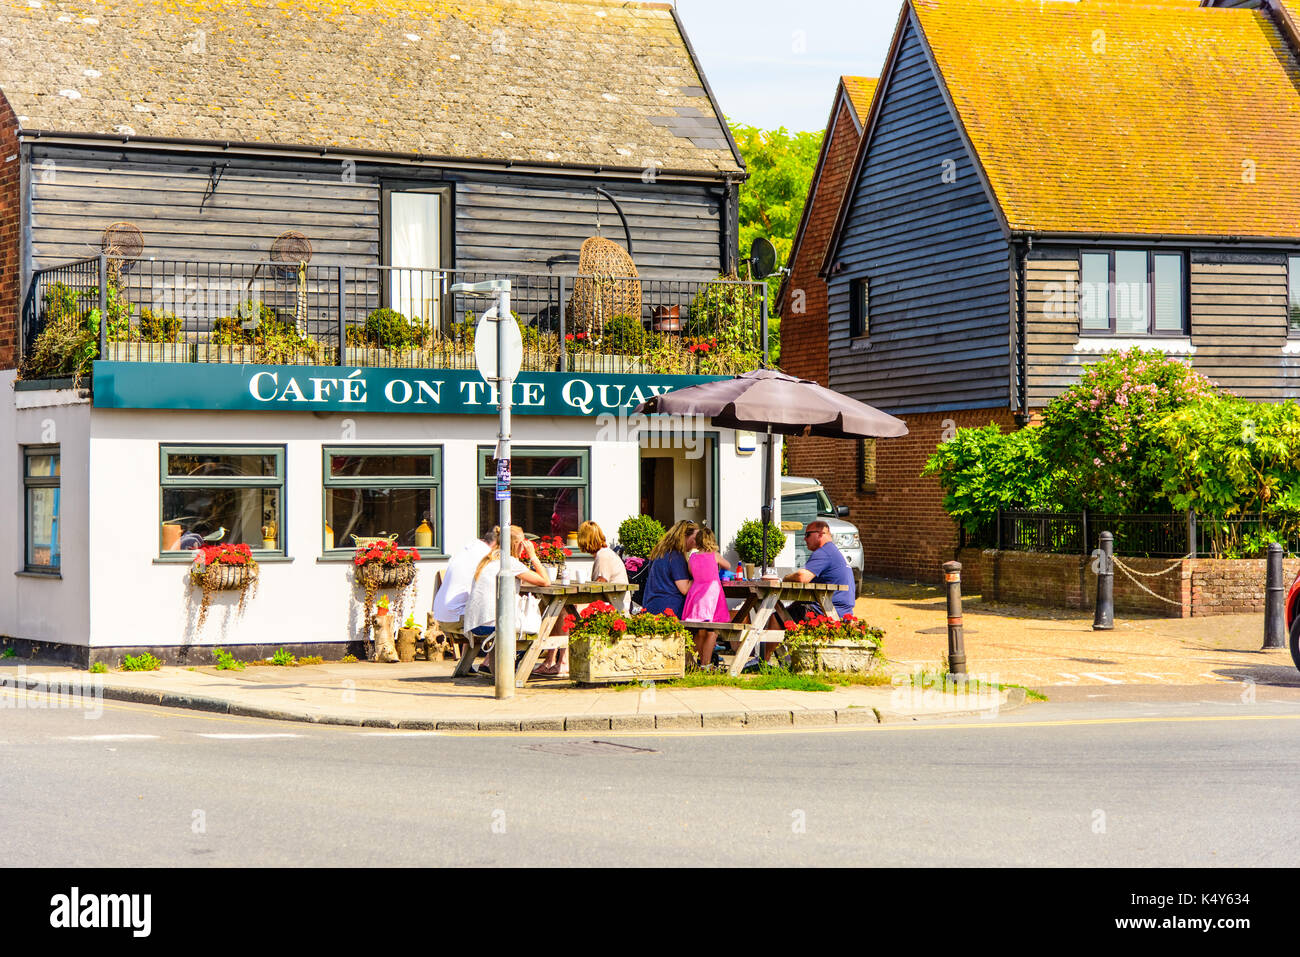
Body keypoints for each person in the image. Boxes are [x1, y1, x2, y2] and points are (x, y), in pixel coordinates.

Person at [462, 526, 550, 674]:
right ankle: (511, 672)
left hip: (474, 623)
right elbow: (545, 581)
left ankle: (489, 663)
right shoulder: (509, 562)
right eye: (524, 543)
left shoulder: (488, 559)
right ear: (516, 544)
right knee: (535, 631)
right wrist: (533, 556)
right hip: (490, 624)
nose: (525, 547)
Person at [432, 527, 498, 648]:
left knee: (479, 611)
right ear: (496, 544)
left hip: (442, 614)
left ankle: (474, 664)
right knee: (505, 622)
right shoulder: (485, 555)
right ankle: (489, 664)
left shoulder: (468, 549)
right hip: (456, 617)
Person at [784, 519, 855, 621]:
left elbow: (802, 577)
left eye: (808, 534)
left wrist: (785, 578)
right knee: (785, 612)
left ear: (821, 534)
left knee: (776, 617)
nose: (804, 539)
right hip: (841, 611)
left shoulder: (824, 552)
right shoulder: (832, 551)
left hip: (828, 610)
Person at [681, 526, 731, 669]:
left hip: (696, 594)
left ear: (697, 541)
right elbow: (728, 565)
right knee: (713, 631)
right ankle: (706, 664)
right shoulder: (714, 555)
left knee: (700, 631)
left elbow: (691, 572)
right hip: (712, 595)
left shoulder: (693, 557)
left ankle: (689, 662)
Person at [641, 520, 698, 618]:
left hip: (652, 607)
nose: (696, 543)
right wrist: (700, 575)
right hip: (669, 611)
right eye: (694, 538)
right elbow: (684, 588)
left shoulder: (660, 552)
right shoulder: (675, 556)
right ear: (684, 536)